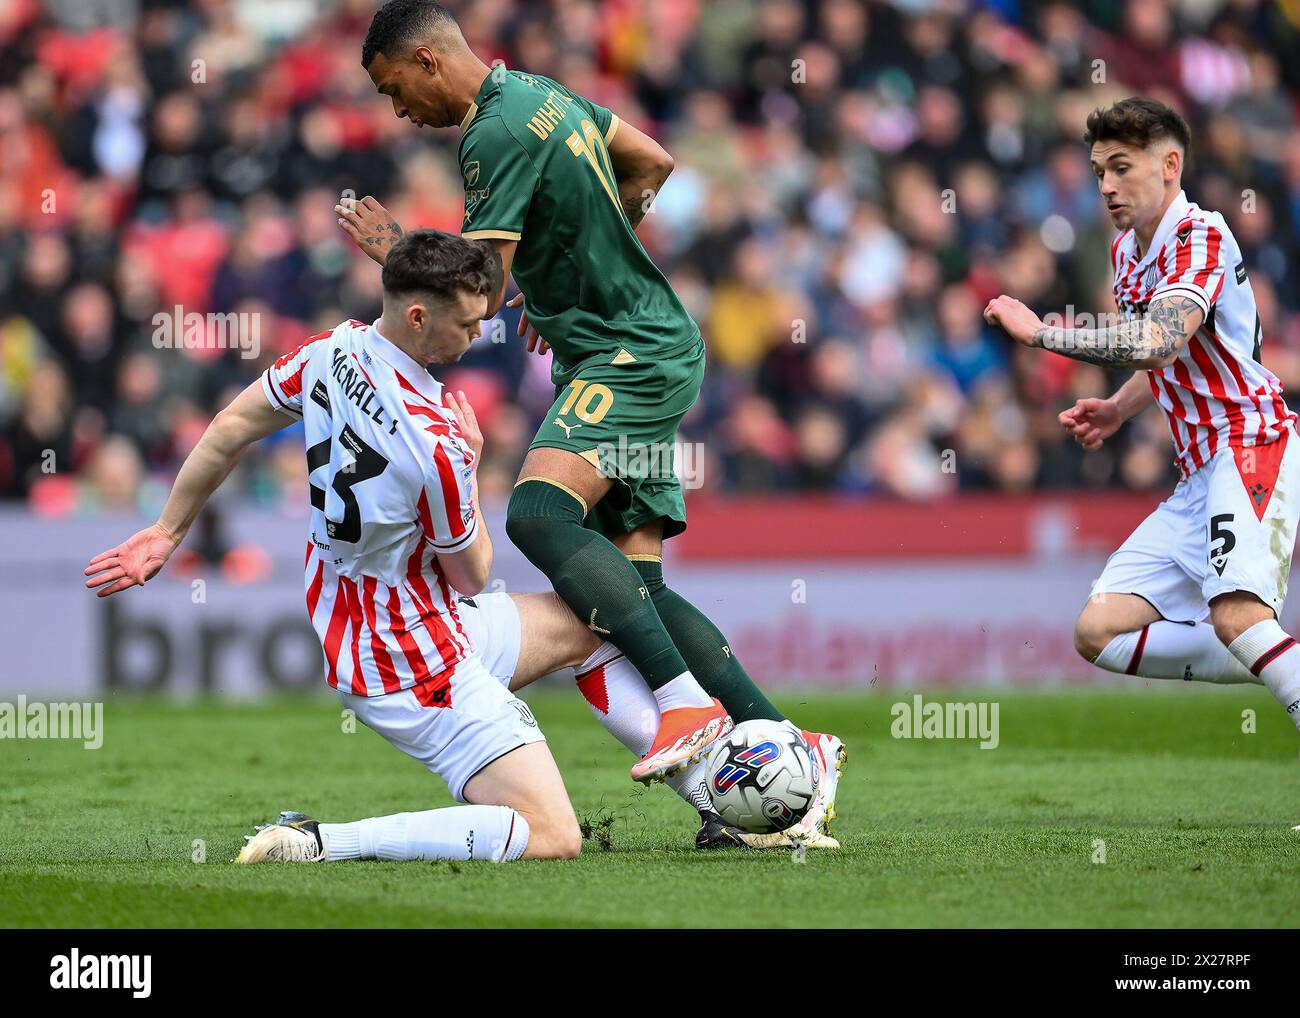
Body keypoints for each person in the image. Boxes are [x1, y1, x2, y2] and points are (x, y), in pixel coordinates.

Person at [335, 0, 845, 801]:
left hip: (629, 356)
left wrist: (397, 249)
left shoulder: (489, 133)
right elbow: (651, 162)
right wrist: (575, 272)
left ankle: (682, 705)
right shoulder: (544, 95)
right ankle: (784, 739)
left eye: (394, 88)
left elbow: (478, 288)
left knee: (538, 513)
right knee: (642, 590)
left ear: (428, 61)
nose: (399, 110)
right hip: (637, 344)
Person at [85, 230, 583, 864]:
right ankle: (320, 842)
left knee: (583, 623)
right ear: (418, 316)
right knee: (551, 834)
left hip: (359, 626)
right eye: (465, 323)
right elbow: (473, 574)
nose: (477, 335)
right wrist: (472, 463)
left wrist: (167, 530)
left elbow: (232, 426)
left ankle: (711, 789)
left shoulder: (332, 351)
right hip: (416, 659)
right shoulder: (436, 443)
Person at [983, 97, 1300, 738]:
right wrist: (1120, 408)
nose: (1105, 185)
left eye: (1120, 168)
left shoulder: (1201, 235)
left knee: (1239, 617)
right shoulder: (1129, 251)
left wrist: (1043, 333)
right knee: (1097, 630)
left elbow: (1158, 341)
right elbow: (1166, 362)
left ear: (1169, 166)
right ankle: (1278, 666)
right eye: (1099, 170)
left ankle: (1273, 662)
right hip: (1197, 473)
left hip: (1248, 443)